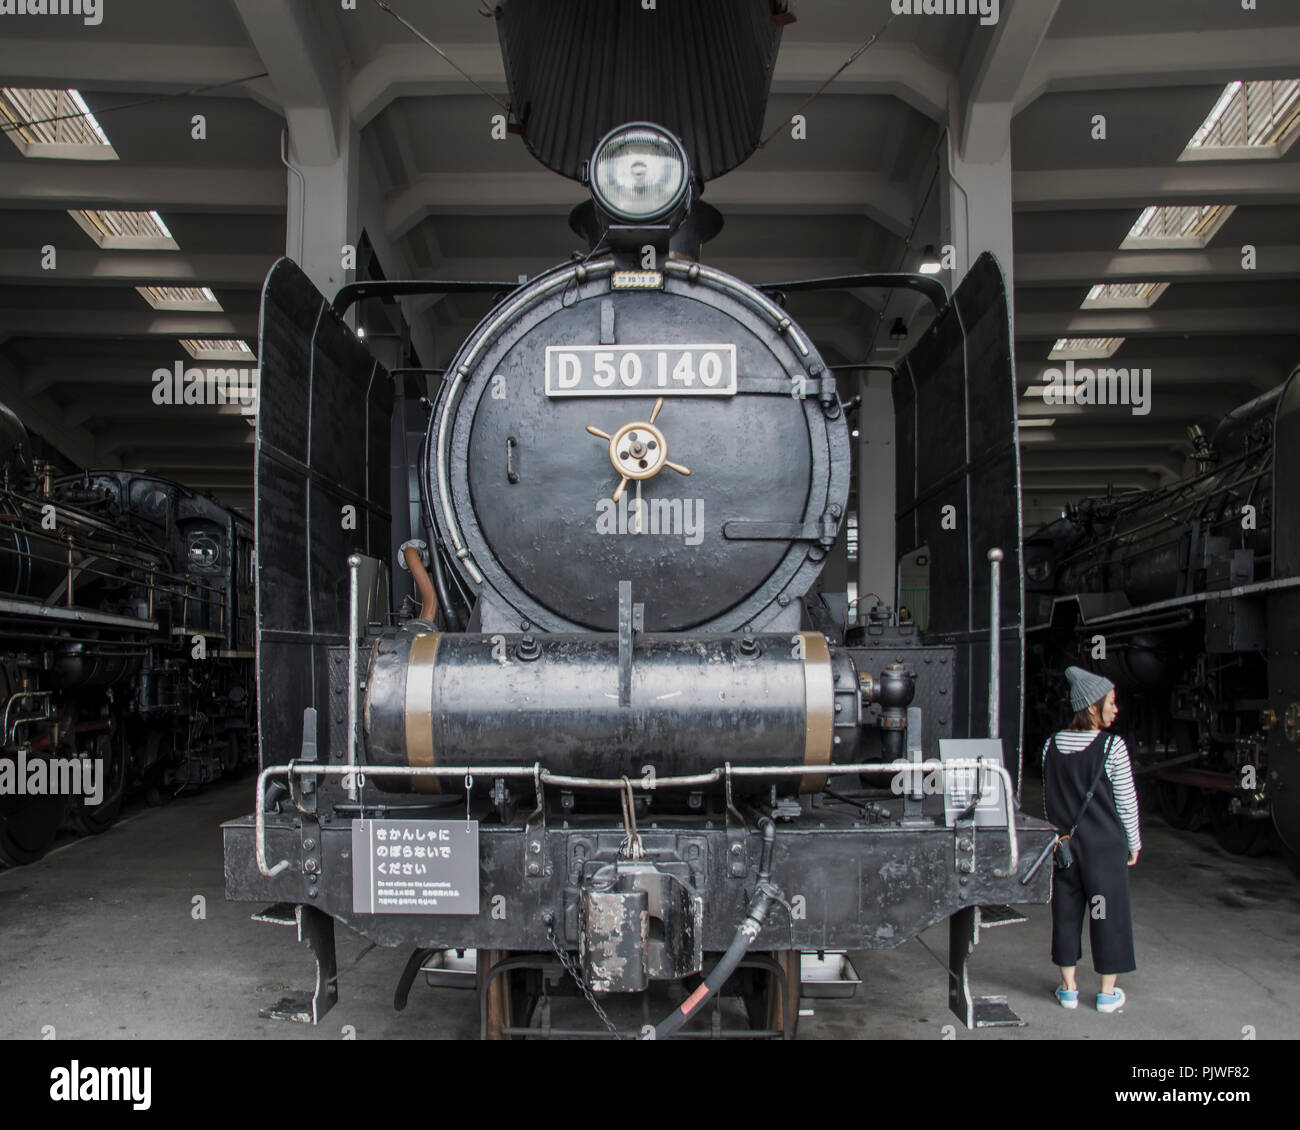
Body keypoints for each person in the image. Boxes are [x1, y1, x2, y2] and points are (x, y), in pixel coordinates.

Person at [1042, 666, 1140, 1013]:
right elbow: (1126, 802)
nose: (1116, 709)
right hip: (1104, 848)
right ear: (1093, 707)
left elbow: (1048, 800)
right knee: (1106, 914)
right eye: (1111, 703)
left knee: (1066, 913)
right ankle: (1106, 993)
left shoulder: (1050, 746)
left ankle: (1068, 989)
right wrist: (1134, 842)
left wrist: (1057, 837)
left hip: (1065, 847)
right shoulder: (1113, 747)